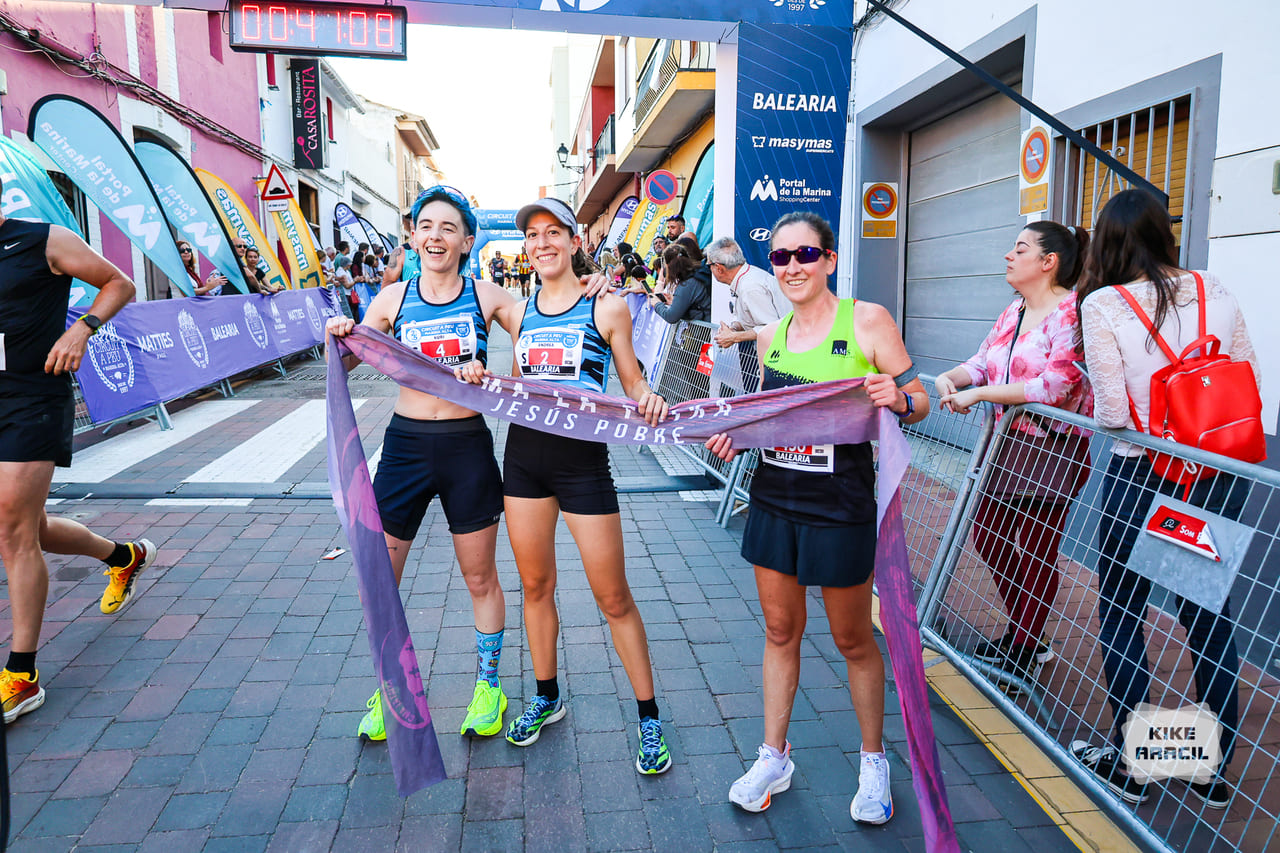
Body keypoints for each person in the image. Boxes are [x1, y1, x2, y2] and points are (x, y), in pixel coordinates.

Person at [706, 211, 928, 820]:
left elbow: (921, 400)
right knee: (780, 632)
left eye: (805, 254)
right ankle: (774, 754)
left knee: (853, 638)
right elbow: (772, 420)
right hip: (775, 500)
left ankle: (873, 762)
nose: (793, 266)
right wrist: (738, 434)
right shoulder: (773, 334)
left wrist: (900, 397)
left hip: (841, 507)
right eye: (780, 257)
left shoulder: (866, 320)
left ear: (829, 259)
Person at [458, 196, 673, 775]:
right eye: (533, 235)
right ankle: (547, 696)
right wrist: (480, 373)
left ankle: (649, 715)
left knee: (613, 596)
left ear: (575, 243)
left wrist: (647, 396)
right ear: (525, 248)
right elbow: (517, 375)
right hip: (524, 463)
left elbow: (631, 380)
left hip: (583, 466)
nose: (543, 242)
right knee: (535, 586)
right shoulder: (520, 310)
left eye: (554, 232)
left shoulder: (607, 308)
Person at [1069, 189, 1257, 810]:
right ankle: (1210, 767)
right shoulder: (1215, 288)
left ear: (1110, 241)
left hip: (1141, 473)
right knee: (1206, 612)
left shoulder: (1104, 305)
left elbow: (1116, 413)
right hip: (1211, 471)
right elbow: (1243, 373)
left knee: (1124, 609)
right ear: (1164, 233)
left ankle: (1135, 760)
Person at [0, 182, 158, 723]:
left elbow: (119, 282)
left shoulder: (45, 240)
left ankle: (22, 675)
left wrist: (83, 330)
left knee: (12, 530)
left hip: (33, 397)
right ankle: (124, 556)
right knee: (32, 527)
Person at [933, 222, 1093, 683]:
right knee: (987, 534)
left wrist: (982, 396)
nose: (1008, 255)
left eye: (1019, 249)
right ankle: (1028, 634)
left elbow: (1059, 386)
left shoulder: (1072, 313)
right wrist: (954, 379)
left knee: (1039, 550)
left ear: (1048, 262)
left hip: (1051, 447)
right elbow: (983, 361)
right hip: (1005, 444)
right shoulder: (1014, 310)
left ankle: (1024, 644)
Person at [707, 237, 788, 347]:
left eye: (709, 265)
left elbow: (770, 328)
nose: (709, 269)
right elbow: (748, 318)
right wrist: (733, 329)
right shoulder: (746, 279)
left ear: (719, 268)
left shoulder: (750, 287)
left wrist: (734, 337)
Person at [648, 243, 711, 323]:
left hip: (708, 327)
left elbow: (671, 317)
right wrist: (675, 301)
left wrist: (657, 304)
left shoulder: (686, 285)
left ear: (668, 267)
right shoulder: (698, 272)